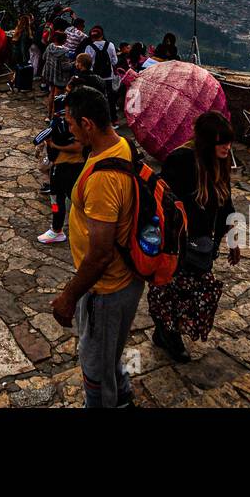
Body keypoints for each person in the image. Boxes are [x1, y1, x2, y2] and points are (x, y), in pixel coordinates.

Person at [50, 85, 142, 408]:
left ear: (87, 124)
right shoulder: (119, 146)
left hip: (106, 290)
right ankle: (125, 398)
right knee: (110, 355)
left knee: (95, 371)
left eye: (73, 125)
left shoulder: (104, 178)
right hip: (121, 282)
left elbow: (101, 253)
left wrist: (69, 297)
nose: (70, 130)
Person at [149, 111, 240, 364]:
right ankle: (170, 335)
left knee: (195, 293)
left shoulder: (219, 163)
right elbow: (165, 201)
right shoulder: (182, 160)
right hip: (178, 243)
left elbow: (226, 204)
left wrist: (232, 239)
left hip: (203, 243)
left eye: (228, 141)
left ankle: (165, 332)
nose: (227, 147)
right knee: (172, 292)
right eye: (221, 142)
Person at [37, 88, 84, 245]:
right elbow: (44, 138)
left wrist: (55, 146)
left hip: (71, 167)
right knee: (56, 200)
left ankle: (78, 229)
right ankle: (57, 228)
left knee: (76, 200)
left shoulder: (76, 123)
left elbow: (78, 147)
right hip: (58, 167)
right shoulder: (57, 123)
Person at [84, 25, 119, 123]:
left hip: (95, 77)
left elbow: (88, 64)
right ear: (102, 35)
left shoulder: (89, 47)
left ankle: (97, 119)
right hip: (108, 76)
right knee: (110, 98)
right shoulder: (110, 45)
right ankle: (114, 119)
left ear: (92, 36)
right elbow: (114, 61)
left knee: (95, 97)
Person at [41, 29, 71, 115]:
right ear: (64, 40)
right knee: (57, 97)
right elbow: (65, 67)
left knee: (51, 93)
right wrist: (73, 64)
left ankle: (49, 114)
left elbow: (43, 57)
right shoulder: (65, 52)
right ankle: (54, 117)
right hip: (59, 77)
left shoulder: (50, 47)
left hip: (49, 75)